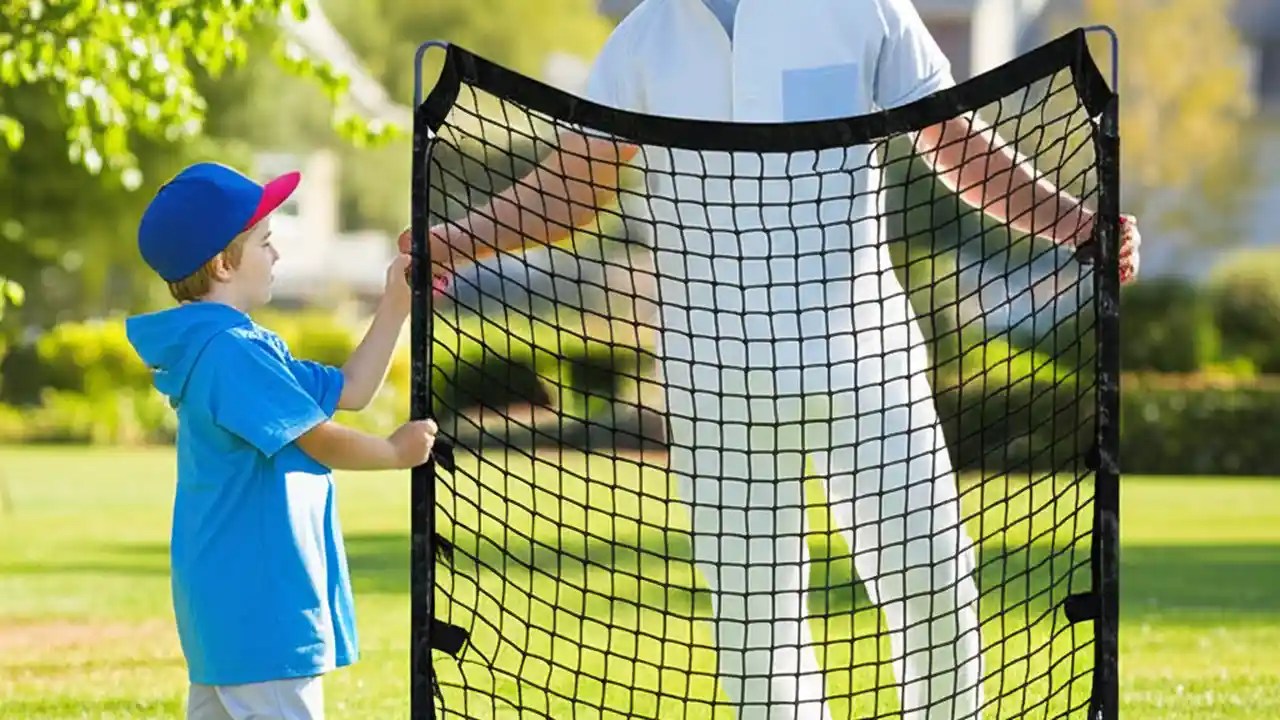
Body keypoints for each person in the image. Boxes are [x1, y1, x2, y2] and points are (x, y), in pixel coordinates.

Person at [411, 1, 1142, 718]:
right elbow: (572, 186)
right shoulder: (643, 37)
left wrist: (1077, 225)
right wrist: (454, 240)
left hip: (867, 364)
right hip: (711, 382)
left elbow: (956, 143)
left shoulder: (867, 9)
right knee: (754, 631)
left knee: (933, 581)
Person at [125, 162, 439, 720]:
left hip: (231, 609)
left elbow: (352, 390)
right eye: (265, 243)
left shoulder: (238, 345)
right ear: (224, 263)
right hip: (258, 603)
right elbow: (319, 439)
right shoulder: (228, 352)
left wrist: (396, 303)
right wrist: (393, 454)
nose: (277, 255)